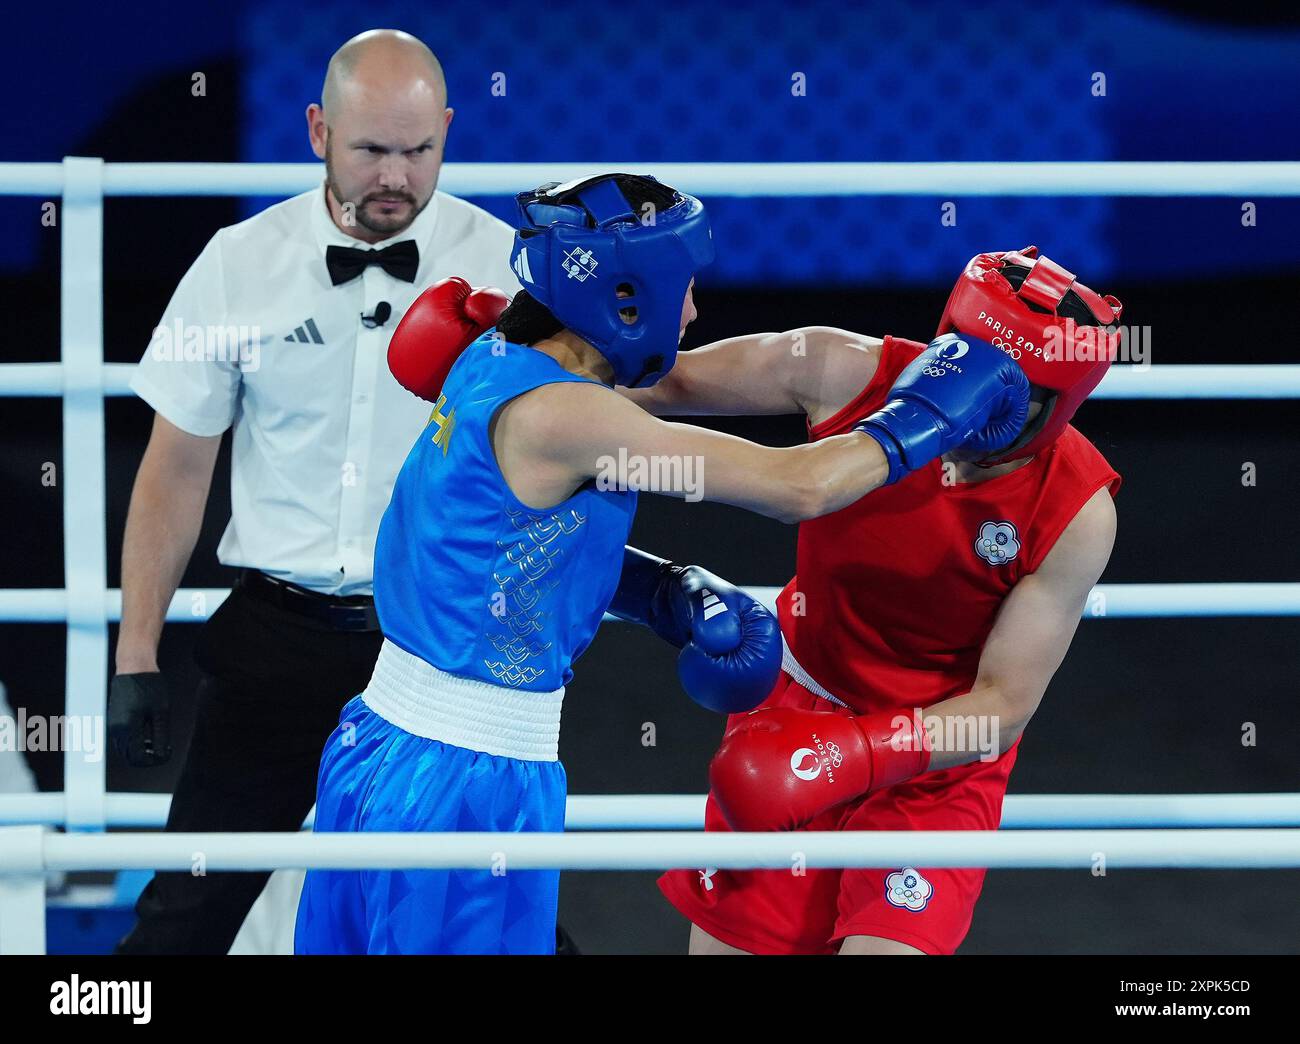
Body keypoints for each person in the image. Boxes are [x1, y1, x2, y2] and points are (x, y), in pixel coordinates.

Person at [293, 174, 1032, 954]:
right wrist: (925, 417)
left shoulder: (492, 355)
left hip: (378, 745)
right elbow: (799, 486)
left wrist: (656, 591)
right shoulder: (566, 414)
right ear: (623, 295)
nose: (691, 311)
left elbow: (496, 550)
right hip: (466, 779)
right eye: (681, 288)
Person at [110, 29, 521, 955]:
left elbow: (571, 459)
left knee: (476, 910)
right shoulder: (236, 263)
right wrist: (136, 655)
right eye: (371, 149)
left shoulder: (505, 274)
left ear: (448, 130)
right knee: (183, 918)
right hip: (275, 639)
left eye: (419, 150)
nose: (396, 176)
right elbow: (176, 467)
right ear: (316, 132)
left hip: (432, 644)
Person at [644, 246, 1123, 955]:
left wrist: (855, 755)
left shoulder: (1075, 512)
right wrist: (513, 359)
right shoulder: (840, 371)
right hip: (797, 702)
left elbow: (1003, 705)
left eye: (1010, 397)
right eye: (968, 367)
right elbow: (660, 386)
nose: (975, 411)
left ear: (1060, 404)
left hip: (937, 756)